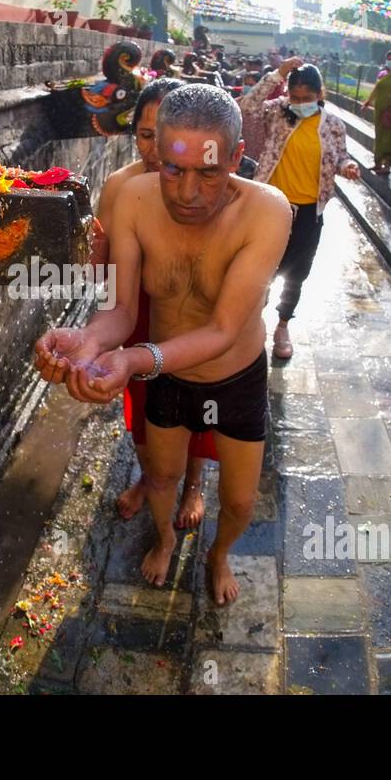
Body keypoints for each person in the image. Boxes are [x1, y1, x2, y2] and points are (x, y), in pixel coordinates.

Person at [34, 84, 292, 605]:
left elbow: (223, 330)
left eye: (209, 173)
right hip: (168, 374)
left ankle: (218, 555)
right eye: (174, 170)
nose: (188, 193)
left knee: (241, 500)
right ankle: (167, 536)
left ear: (237, 158)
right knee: (160, 474)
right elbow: (123, 311)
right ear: (154, 153)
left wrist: (132, 358)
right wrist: (88, 339)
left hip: (236, 376)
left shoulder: (268, 211)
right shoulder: (131, 199)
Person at [89, 77, 217, 529]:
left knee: (198, 398)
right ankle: (152, 477)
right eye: (147, 136)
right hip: (136, 311)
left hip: (192, 311)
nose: (159, 151)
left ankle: (195, 482)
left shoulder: (203, 186)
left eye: (168, 138)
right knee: (144, 402)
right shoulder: (120, 187)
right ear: (136, 135)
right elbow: (102, 272)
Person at [241, 59, 361, 359]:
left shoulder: (332, 125)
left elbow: (340, 156)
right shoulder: (278, 113)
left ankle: (282, 325)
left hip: (309, 211)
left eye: (306, 99)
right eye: (295, 97)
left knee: (297, 271)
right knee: (262, 265)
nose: (299, 103)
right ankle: (252, 323)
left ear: (321, 94)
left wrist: (347, 166)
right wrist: (278, 74)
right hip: (271, 204)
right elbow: (247, 106)